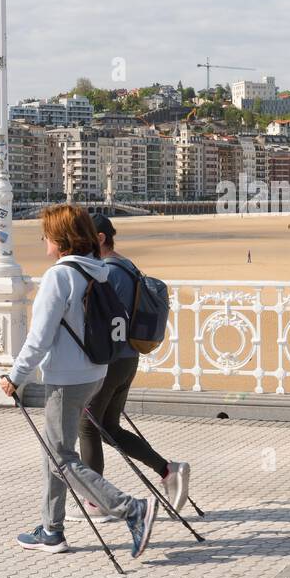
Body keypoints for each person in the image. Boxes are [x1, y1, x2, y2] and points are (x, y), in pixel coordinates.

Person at [1, 205, 157, 559]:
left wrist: (15, 377)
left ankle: (131, 509)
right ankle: (52, 530)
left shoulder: (59, 277)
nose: (44, 240)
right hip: (95, 373)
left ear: (60, 239)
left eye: (46, 234)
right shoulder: (97, 270)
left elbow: (39, 338)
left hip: (67, 379)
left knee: (61, 458)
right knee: (55, 452)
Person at [77, 214, 190, 521]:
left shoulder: (107, 272)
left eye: (85, 238)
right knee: (109, 428)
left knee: (87, 424)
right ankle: (168, 470)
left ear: (100, 238)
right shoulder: (127, 266)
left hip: (112, 362)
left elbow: (96, 320)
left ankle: (95, 501)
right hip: (129, 359)